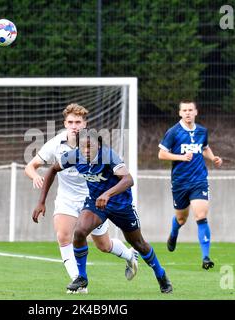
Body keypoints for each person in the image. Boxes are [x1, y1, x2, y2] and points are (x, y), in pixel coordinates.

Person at [33, 130, 173, 294]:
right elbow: (52, 170)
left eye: (89, 146)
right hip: (96, 203)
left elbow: (128, 179)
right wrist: (41, 201)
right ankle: (82, 277)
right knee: (79, 232)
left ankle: (161, 274)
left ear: (98, 145)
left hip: (121, 204)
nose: (86, 150)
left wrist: (107, 194)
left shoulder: (108, 156)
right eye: (82, 146)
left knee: (138, 244)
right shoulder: (74, 155)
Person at [26, 104, 138, 293]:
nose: (74, 126)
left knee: (103, 245)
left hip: (92, 200)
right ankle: (78, 282)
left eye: (78, 122)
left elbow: (115, 171)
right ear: (64, 124)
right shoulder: (56, 143)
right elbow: (31, 166)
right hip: (66, 199)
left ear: (85, 124)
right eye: (70, 122)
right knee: (63, 236)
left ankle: (129, 255)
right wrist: (36, 177)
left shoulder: (96, 145)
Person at [158, 100, 223, 270]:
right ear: (180, 113)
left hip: (199, 180)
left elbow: (204, 148)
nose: (187, 113)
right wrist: (180, 157)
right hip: (180, 182)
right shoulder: (173, 132)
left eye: (190, 110)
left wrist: (213, 157)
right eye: (184, 110)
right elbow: (161, 154)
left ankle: (206, 257)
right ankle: (174, 233)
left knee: (201, 215)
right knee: (181, 218)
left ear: (196, 112)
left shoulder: (202, 131)